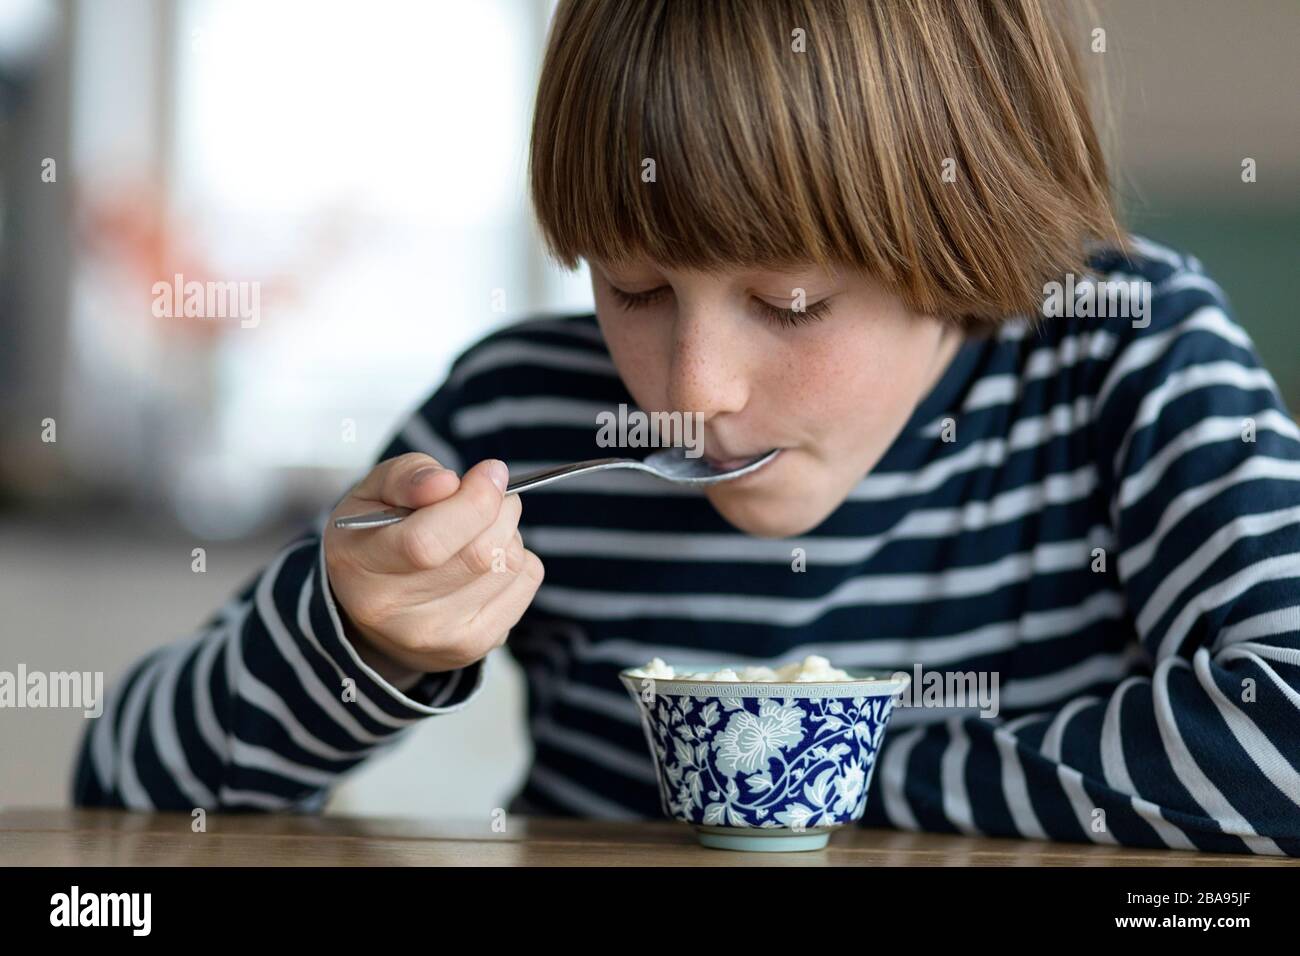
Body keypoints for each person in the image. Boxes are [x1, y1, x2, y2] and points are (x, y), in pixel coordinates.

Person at [75, 0, 1300, 855]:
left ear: (964, 245)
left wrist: (824, 770)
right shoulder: (520, 412)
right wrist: (357, 635)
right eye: (633, 288)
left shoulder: (1121, 353)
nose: (689, 388)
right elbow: (127, 796)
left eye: (790, 302)